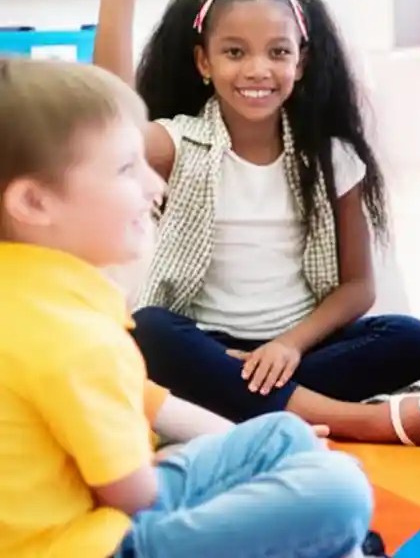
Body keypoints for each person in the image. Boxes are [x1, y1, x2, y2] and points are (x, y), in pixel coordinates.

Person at [90, 0, 420, 448]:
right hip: (204, 339)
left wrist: (288, 346)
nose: (258, 69)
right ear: (204, 63)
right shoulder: (179, 142)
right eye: (234, 52)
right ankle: (356, 421)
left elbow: (357, 288)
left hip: (299, 345)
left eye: (277, 52)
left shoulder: (331, 156)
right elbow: (108, 125)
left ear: (300, 63)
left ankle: (232, 401)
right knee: (150, 331)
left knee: (413, 338)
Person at [0, 57, 373, 558]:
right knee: (340, 492)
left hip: (94, 507)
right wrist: (212, 486)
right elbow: (132, 496)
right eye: (128, 170)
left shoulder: (32, 297)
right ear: (35, 203)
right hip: (95, 544)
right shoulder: (74, 336)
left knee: (280, 437)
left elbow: (141, 403)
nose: (157, 188)